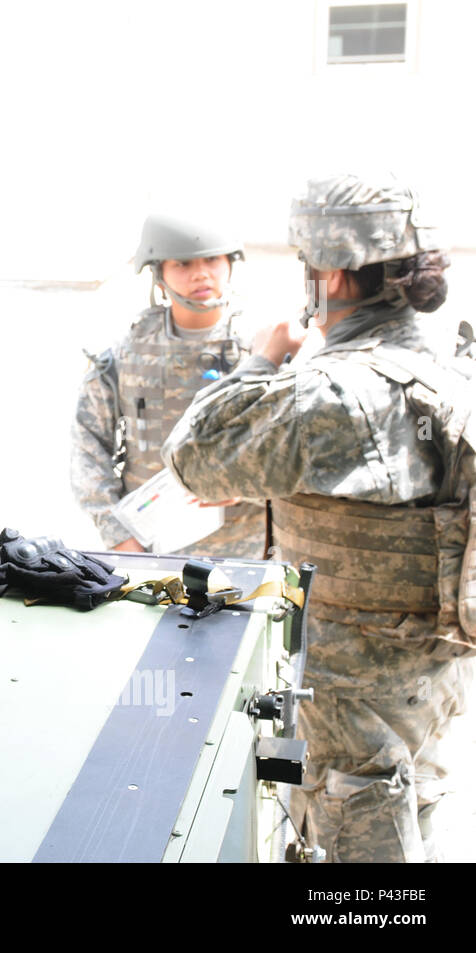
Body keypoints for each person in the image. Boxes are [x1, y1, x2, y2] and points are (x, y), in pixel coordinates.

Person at [163, 172, 475, 862]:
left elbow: (193, 453)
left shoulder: (335, 393)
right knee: (410, 809)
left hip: (345, 712)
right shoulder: (450, 365)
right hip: (428, 683)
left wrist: (264, 357)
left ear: (331, 275)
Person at [70, 213, 267, 558]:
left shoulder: (262, 349)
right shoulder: (125, 354)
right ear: (158, 273)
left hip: (244, 551)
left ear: (230, 264)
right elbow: (88, 448)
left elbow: (300, 451)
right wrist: (118, 536)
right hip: (150, 550)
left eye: (212, 260)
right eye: (183, 264)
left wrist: (250, 486)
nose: (201, 273)